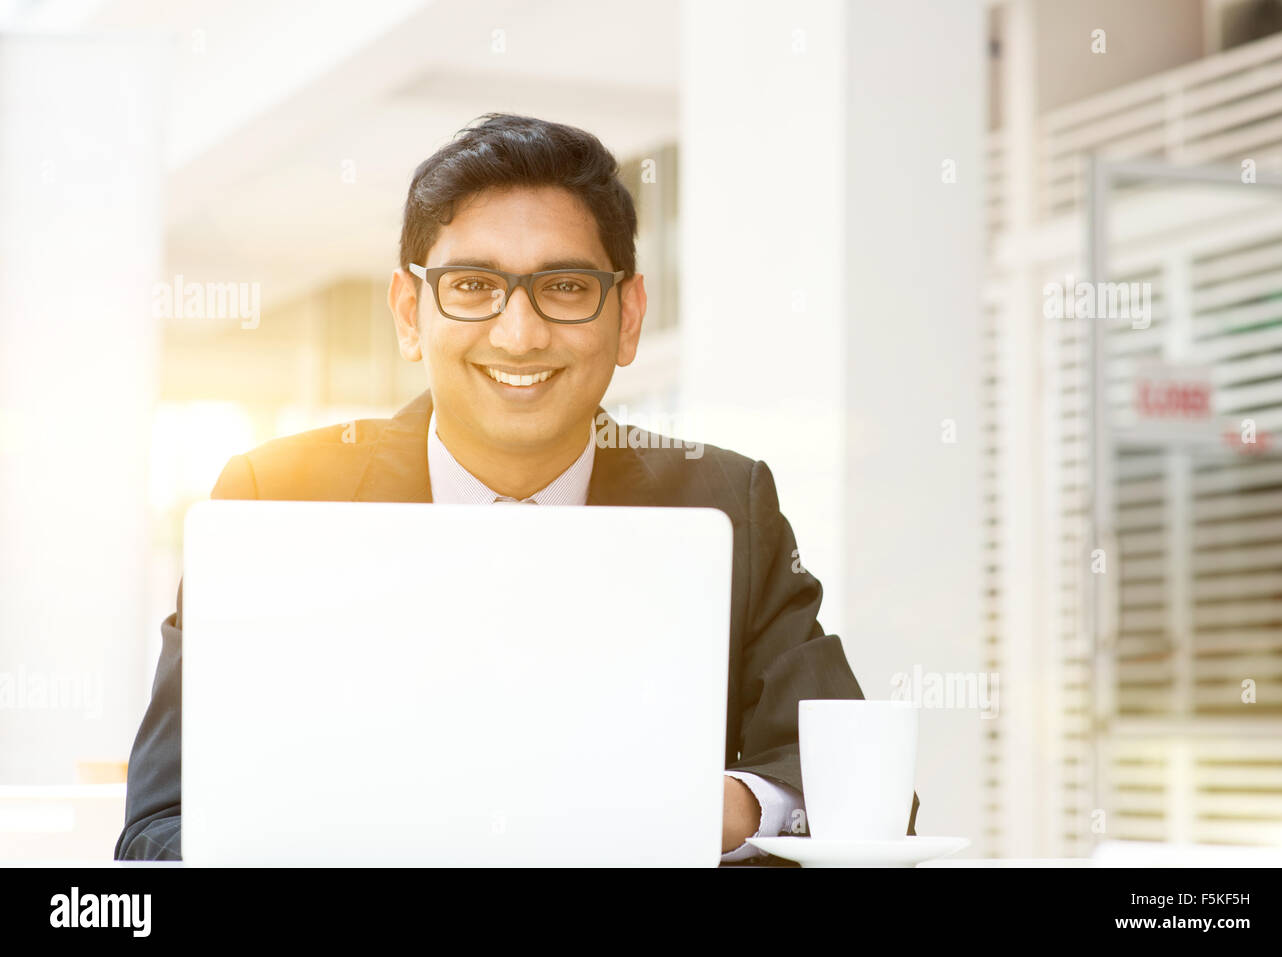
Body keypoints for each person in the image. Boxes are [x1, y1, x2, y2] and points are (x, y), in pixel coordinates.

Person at [115, 112, 917, 864]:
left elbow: (855, 788)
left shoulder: (723, 500)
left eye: (565, 287)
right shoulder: (274, 496)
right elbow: (157, 826)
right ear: (408, 311)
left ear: (628, 315)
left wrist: (732, 804)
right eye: (472, 286)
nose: (519, 333)